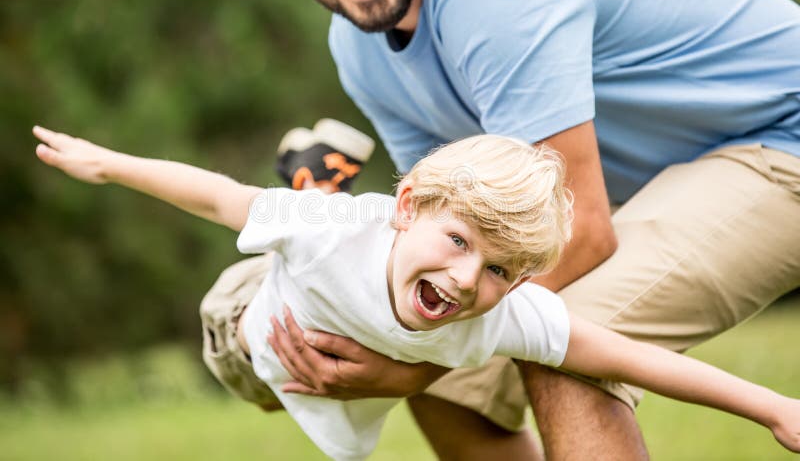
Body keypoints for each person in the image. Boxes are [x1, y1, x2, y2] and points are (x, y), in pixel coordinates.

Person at [252, 0, 800, 458]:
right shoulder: (358, 43)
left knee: (570, 340)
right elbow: (440, 217)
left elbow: (580, 229)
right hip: (674, 173)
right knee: (455, 393)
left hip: (781, 136)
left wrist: (417, 356)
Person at [32, 125, 800, 460]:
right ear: (410, 209)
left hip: (338, 367)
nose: (468, 279)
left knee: (324, 231)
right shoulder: (332, 234)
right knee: (298, 229)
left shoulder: (512, 313)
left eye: (499, 270)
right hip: (245, 324)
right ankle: (314, 183)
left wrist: (775, 408)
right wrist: (107, 164)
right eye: (459, 242)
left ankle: (317, 172)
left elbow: (633, 359)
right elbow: (216, 197)